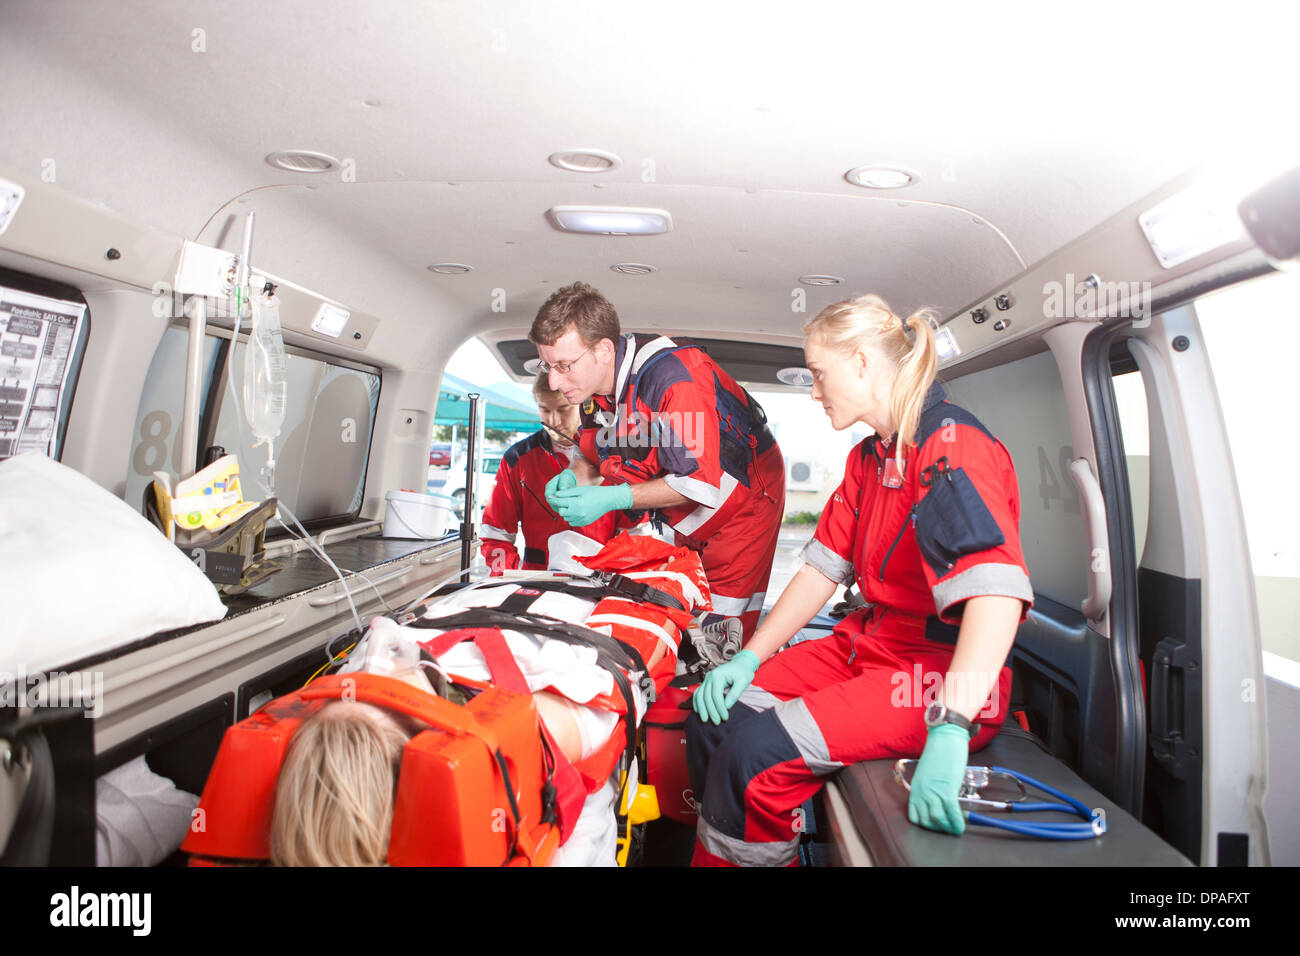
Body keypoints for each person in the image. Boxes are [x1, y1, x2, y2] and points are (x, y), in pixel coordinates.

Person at [684, 293, 1033, 866]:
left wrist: (950, 725)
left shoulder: (948, 447)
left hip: (933, 672)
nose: (814, 392)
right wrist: (748, 657)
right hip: (871, 644)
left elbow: (994, 594)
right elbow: (822, 568)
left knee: (756, 755)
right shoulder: (871, 458)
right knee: (714, 717)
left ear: (864, 363)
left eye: (820, 374)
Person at [531, 281, 785, 637]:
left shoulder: (674, 379)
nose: (554, 381)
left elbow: (697, 482)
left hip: (742, 503)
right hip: (684, 512)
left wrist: (613, 497)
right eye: (547, 365)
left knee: (720, 625)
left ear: (604, 350)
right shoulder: (591, 390)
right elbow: (592, 450)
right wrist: (576, 474)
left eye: (563, 365)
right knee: (684, 604)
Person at [479, 372, 638, 573]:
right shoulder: (517, 458)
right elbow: (496, 534)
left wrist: (617, 585)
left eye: (563, 409)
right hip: (537, 579)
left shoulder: (615, 456)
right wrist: (504, 579)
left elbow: (635, 534)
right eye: (544, 410)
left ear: (583, 404)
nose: (553, 421)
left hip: (599, 580)